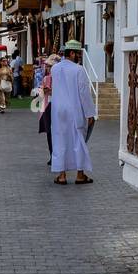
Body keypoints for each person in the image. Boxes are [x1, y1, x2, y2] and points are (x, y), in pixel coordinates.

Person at [49, 40, 95, 185]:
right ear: (72, 53)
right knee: (78, 140)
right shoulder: (78, 69)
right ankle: (80, 175)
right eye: (78, 54)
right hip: (74, 109)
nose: (79, 57)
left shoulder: (54, 69)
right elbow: (84, 93)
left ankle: (61, 176)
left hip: (57, 109)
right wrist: (90, 113)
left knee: (60, 140)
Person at [36, 54, 58, 162]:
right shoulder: (46, 78)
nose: (48, 68)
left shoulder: (60, 78)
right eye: (48, 66)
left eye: (50, 66)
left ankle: (57, 154)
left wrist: (52, 91)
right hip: (47, 106)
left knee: (57, 132)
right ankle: (52, 154)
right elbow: (41, 93)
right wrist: (43, 90)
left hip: (58, 106)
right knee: (49, 132)